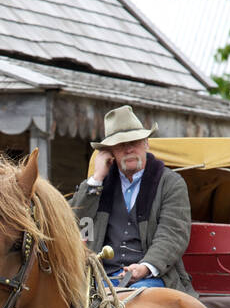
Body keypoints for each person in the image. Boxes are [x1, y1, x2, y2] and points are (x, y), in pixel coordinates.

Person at [70, 105, 198, 297]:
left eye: (135, 142)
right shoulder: (96, 186)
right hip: (98, 278)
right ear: (110, 152)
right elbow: (72, 222)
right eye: (121, 144)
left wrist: (145, 267)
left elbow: (172, 235)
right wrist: (96, 178)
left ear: (146, 143)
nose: (129, 149)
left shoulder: (171, 183)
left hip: (155, 279)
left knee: (137, 305)